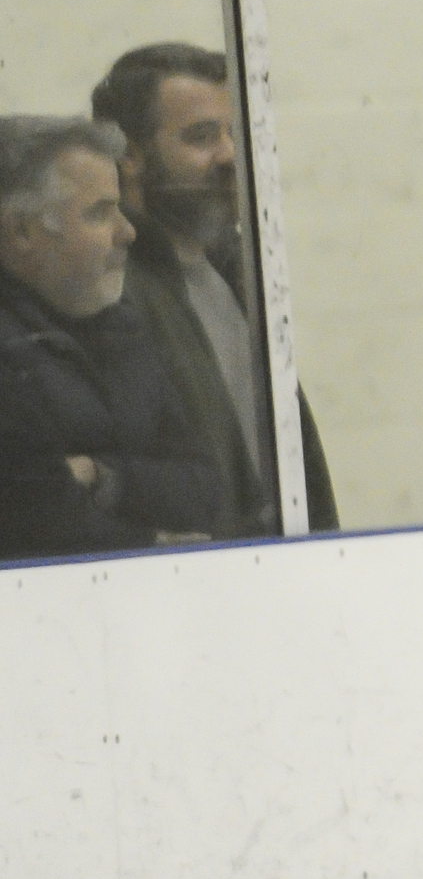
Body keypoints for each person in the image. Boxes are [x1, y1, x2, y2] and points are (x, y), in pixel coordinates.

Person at [90, 43, 339, 534]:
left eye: (234, 134)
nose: (229, 156)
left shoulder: (236, 267)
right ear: (129, 154)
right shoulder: (105, 288)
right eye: (201, 137)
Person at [0, 116, 222, 557]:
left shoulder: (127, 330)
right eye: (99, 212)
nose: (128, 231)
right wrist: (150, 542)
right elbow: (35, 513)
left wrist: (103, 477)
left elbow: (205, 488)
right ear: (21, 231)